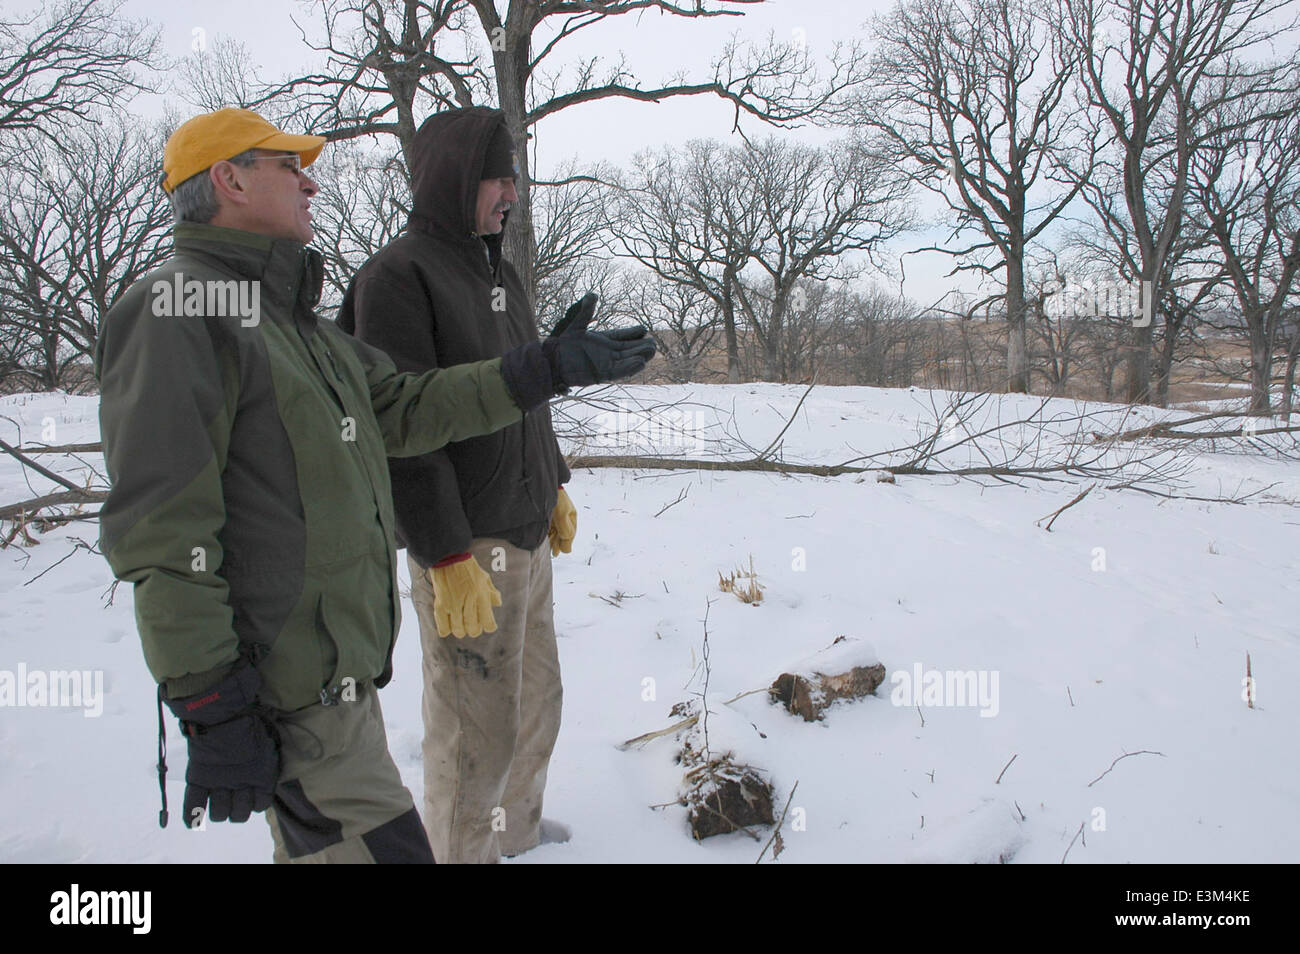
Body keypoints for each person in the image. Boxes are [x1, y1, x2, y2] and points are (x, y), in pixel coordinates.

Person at [94, 107, 655, 864]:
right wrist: (208, 703)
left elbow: (404, 407)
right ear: (228, 179)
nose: (310, 181)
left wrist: (542, 368)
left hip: (338, 682)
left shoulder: (298, 328)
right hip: (283, 691)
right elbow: (163, 530)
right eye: (288, 166)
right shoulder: (179, 309)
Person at [338, 107, 636, 863]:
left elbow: (518, 393)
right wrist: (441, 554)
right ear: (453, 179)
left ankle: (518, 840)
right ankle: (461, 851)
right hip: (467, 552)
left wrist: (555, 482)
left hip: (524, 527)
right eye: (498, 177)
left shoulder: (495, 270)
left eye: (513, 175)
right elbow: (400, 432)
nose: (511, 192)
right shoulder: (398, 277)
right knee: (476, 735)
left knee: (538, 707)